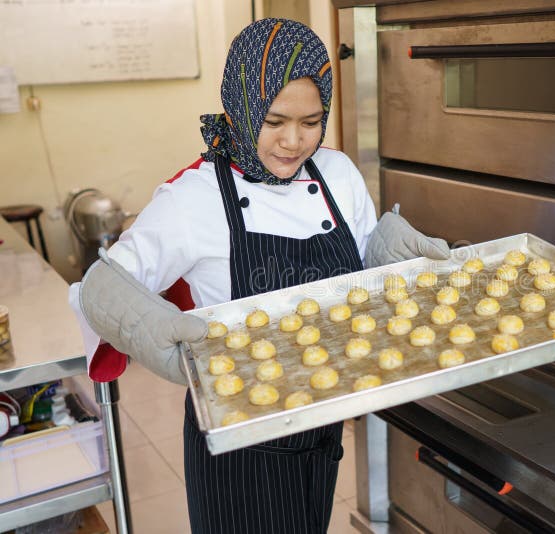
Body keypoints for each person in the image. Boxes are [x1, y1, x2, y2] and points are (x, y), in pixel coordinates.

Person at [69, 18, 449, 533]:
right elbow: (104, 285)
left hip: (320, 420)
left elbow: (359, 263)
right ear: (240, 104)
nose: (294, 142)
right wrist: (150, 330)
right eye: (274, 120)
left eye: (312, 122)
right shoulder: (195, 197)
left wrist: (389, 248)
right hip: (237, 441)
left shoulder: (336, 174)